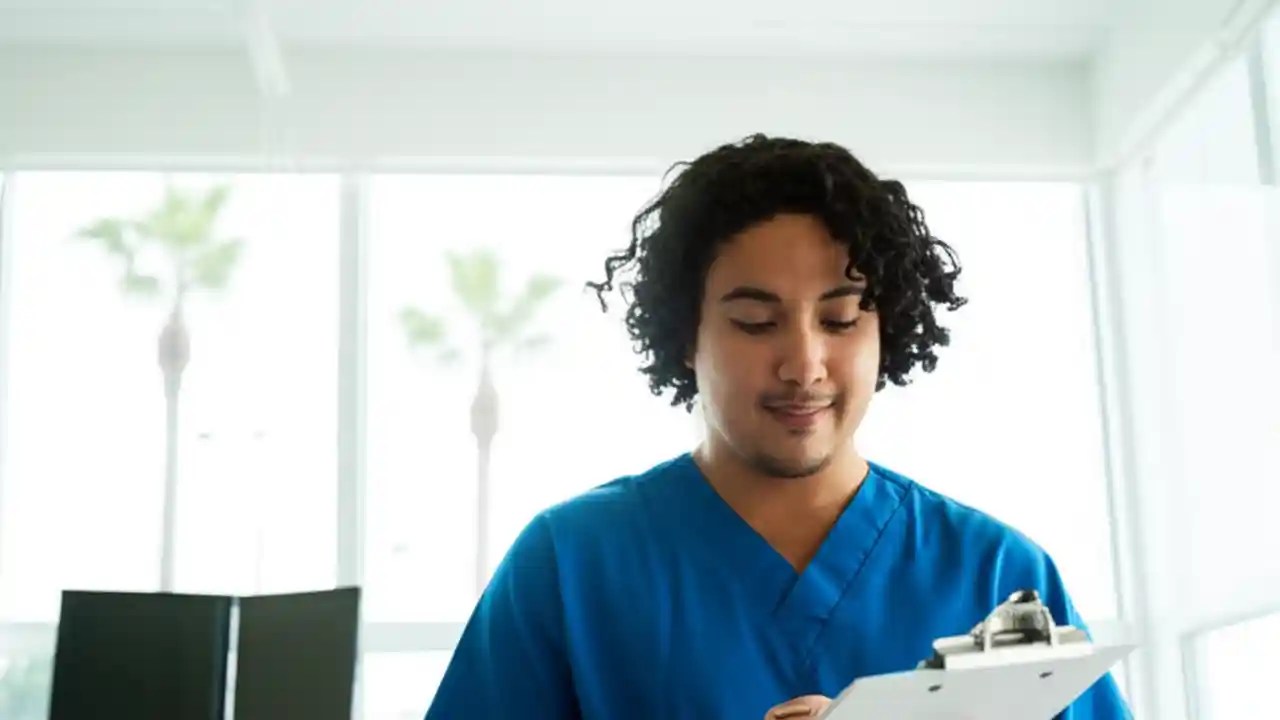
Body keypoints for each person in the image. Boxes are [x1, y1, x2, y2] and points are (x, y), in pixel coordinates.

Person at [423, 135, 1130, 719]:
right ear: (686, 336)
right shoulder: (571, 566)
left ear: (887, 331)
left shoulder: (999, 576)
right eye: (755, 322)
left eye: (840, 320)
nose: (804, 365)